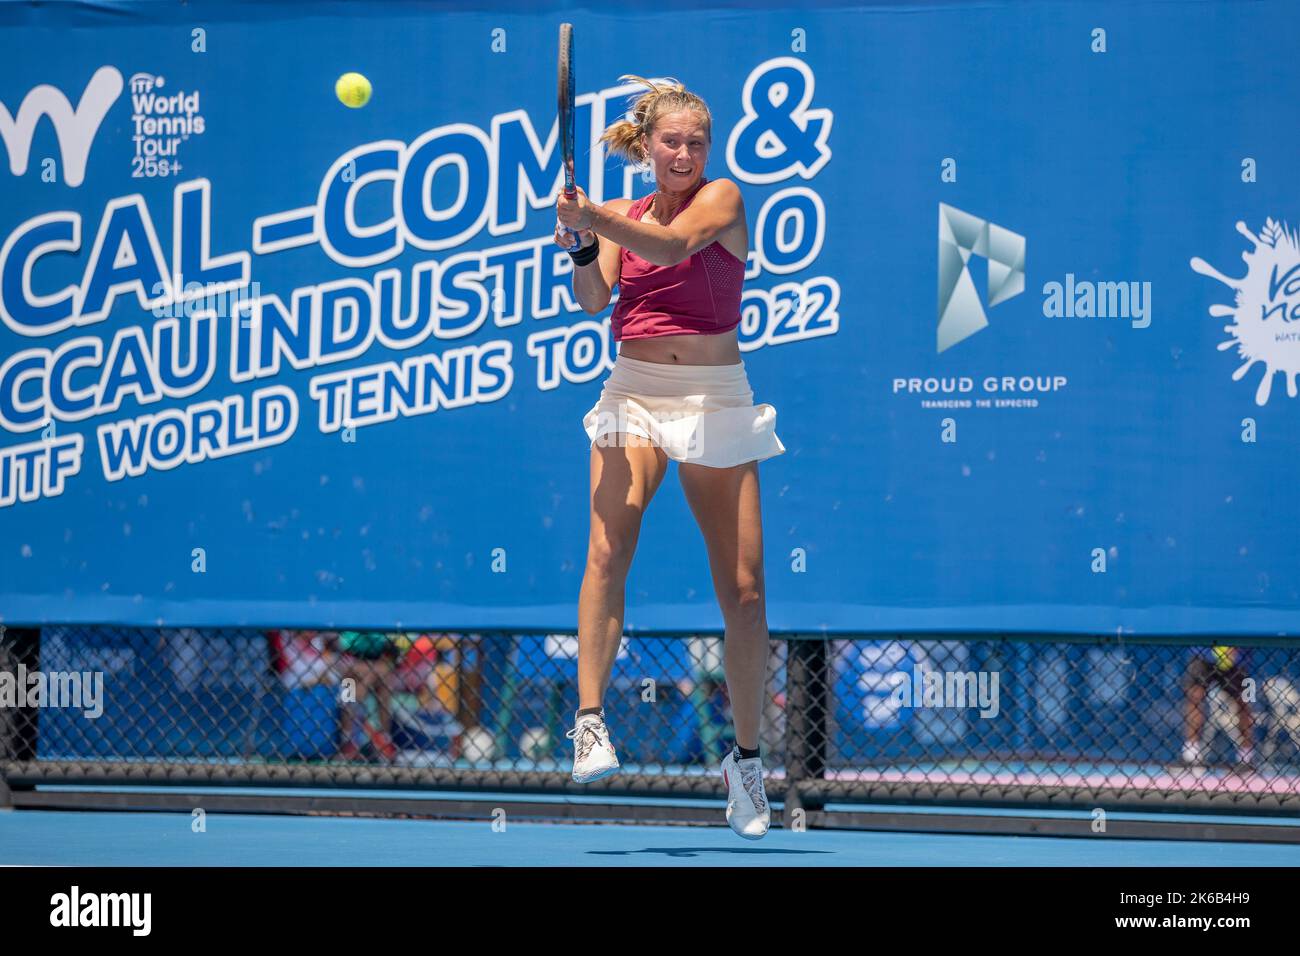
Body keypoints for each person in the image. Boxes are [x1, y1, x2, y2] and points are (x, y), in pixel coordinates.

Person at [555, 75, 784, 839]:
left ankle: (746, 765)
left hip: (717, 393)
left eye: (695, 142)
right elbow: (593, 300)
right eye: (671, 141)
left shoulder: (723, 199)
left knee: (746, 591)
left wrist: (597, 220)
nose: (684, 153)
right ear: (647, 147)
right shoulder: (620, 216)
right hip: (636, 388)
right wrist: (586, 241)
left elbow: (678, 245)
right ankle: (589, 722)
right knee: (606, 546)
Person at [1181, 644, 1255, 768]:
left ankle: (1246, 757)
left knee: (1243, 702)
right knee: (1195, 695)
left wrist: (1235, 648)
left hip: (1238, 654)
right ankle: (1190, 753)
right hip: (1204, 650)